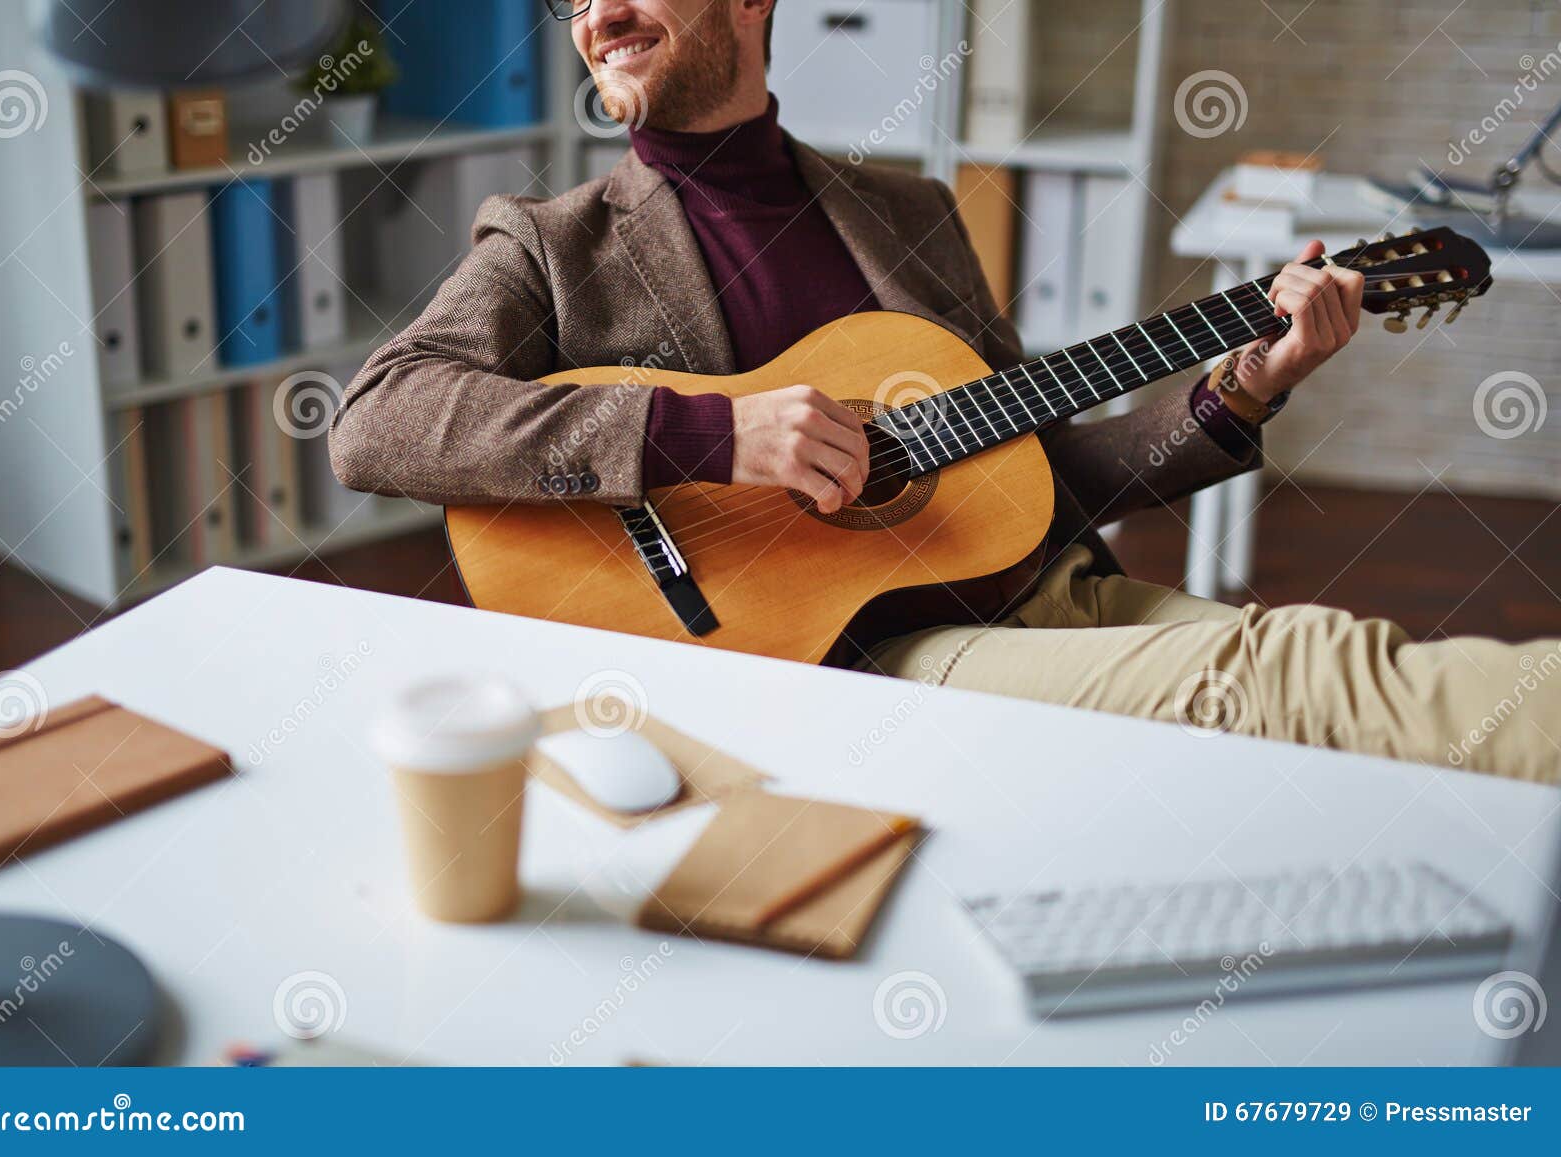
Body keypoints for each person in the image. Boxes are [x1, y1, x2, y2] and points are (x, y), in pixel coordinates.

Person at [330, 0, 1558, 784]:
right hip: (867, 655)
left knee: (1341, 672)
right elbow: (379, 419)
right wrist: (709, 431)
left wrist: (1240, 389)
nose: (595, 13)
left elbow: (1045, 472)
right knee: (1285, 672)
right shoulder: (552, 241)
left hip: (1045, 589)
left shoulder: (907, 216)